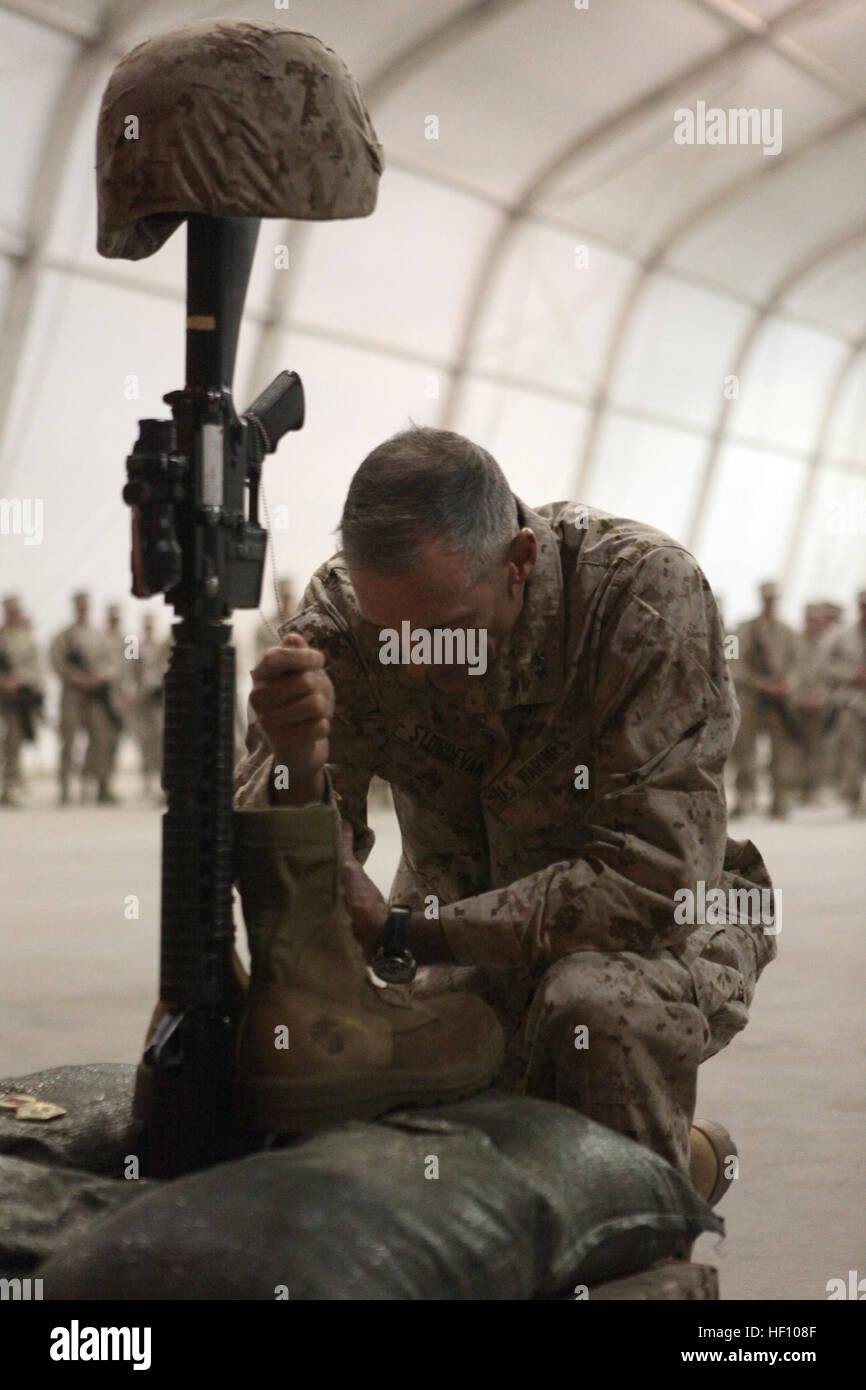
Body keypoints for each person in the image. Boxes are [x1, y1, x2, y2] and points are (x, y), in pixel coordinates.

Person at [235, 425, 777, 1181]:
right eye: (394, 639)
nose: (418, 664)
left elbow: (654, 885)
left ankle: (645, 1222)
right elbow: (285, 888)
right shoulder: (347, 617)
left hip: (658, 933)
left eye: (447, 632)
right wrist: (295, 770)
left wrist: (405, 933)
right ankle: (676, 1165)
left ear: (520, 561)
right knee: (319, 1059)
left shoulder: (641, 595)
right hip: (449, 935)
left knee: (596, 1009)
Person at [729, 581, 800, 818]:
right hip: (752, 697)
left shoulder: (787, 632)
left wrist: (786, 684)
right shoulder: (744, 629)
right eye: (768, 597)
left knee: (781, 751)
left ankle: (780, 799)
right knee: (744, 751)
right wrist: (762, 684)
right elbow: (735, 665)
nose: (771, 602)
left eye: (774, 598)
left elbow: (797, 664)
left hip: (779, 701)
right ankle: (744, 797)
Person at [50, 593, 119, 805]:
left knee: (103, 739)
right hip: (74, 694)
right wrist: (80, 678)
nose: (114, 620)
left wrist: (102, 677)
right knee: (69, 739)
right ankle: (66, 787)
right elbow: (57, 662)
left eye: (117, 617)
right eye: (112, 617)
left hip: (105, 696)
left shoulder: (124, 638)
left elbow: (122, 664)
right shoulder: (65, 636)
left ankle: (100, 784)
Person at [822, 590, 866, 816]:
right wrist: (851, 674)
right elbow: (825, 665)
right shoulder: (842, 635)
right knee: (852, 752)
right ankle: (854, 798)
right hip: (852, 702)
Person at [0, 595, 44, 806]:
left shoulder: (27, 639)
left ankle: (10, 786)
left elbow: (37, 668)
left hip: (20, 698)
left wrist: (21, 682)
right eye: (10, 611)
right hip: (2, 697)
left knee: (14, 741)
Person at [792, 602, 832, 802]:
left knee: (817, 748)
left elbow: (829, 676)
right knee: (796, 747)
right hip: (797, 703)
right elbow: (791, 673)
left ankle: (814, 788)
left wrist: (819, 697)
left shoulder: (827, 644)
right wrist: (798, 697)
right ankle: (797, 787)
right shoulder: (795, 642)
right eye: (810, 619)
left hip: (819, 703)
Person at [133, 615, 169, 799]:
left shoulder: (160, 645)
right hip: (141, 700)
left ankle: (160, 780)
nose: (148, 628)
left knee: (160, 739)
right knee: (143, 741)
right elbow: (128, 667)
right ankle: (146, 781)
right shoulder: (134, 644)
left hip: (157, 698)